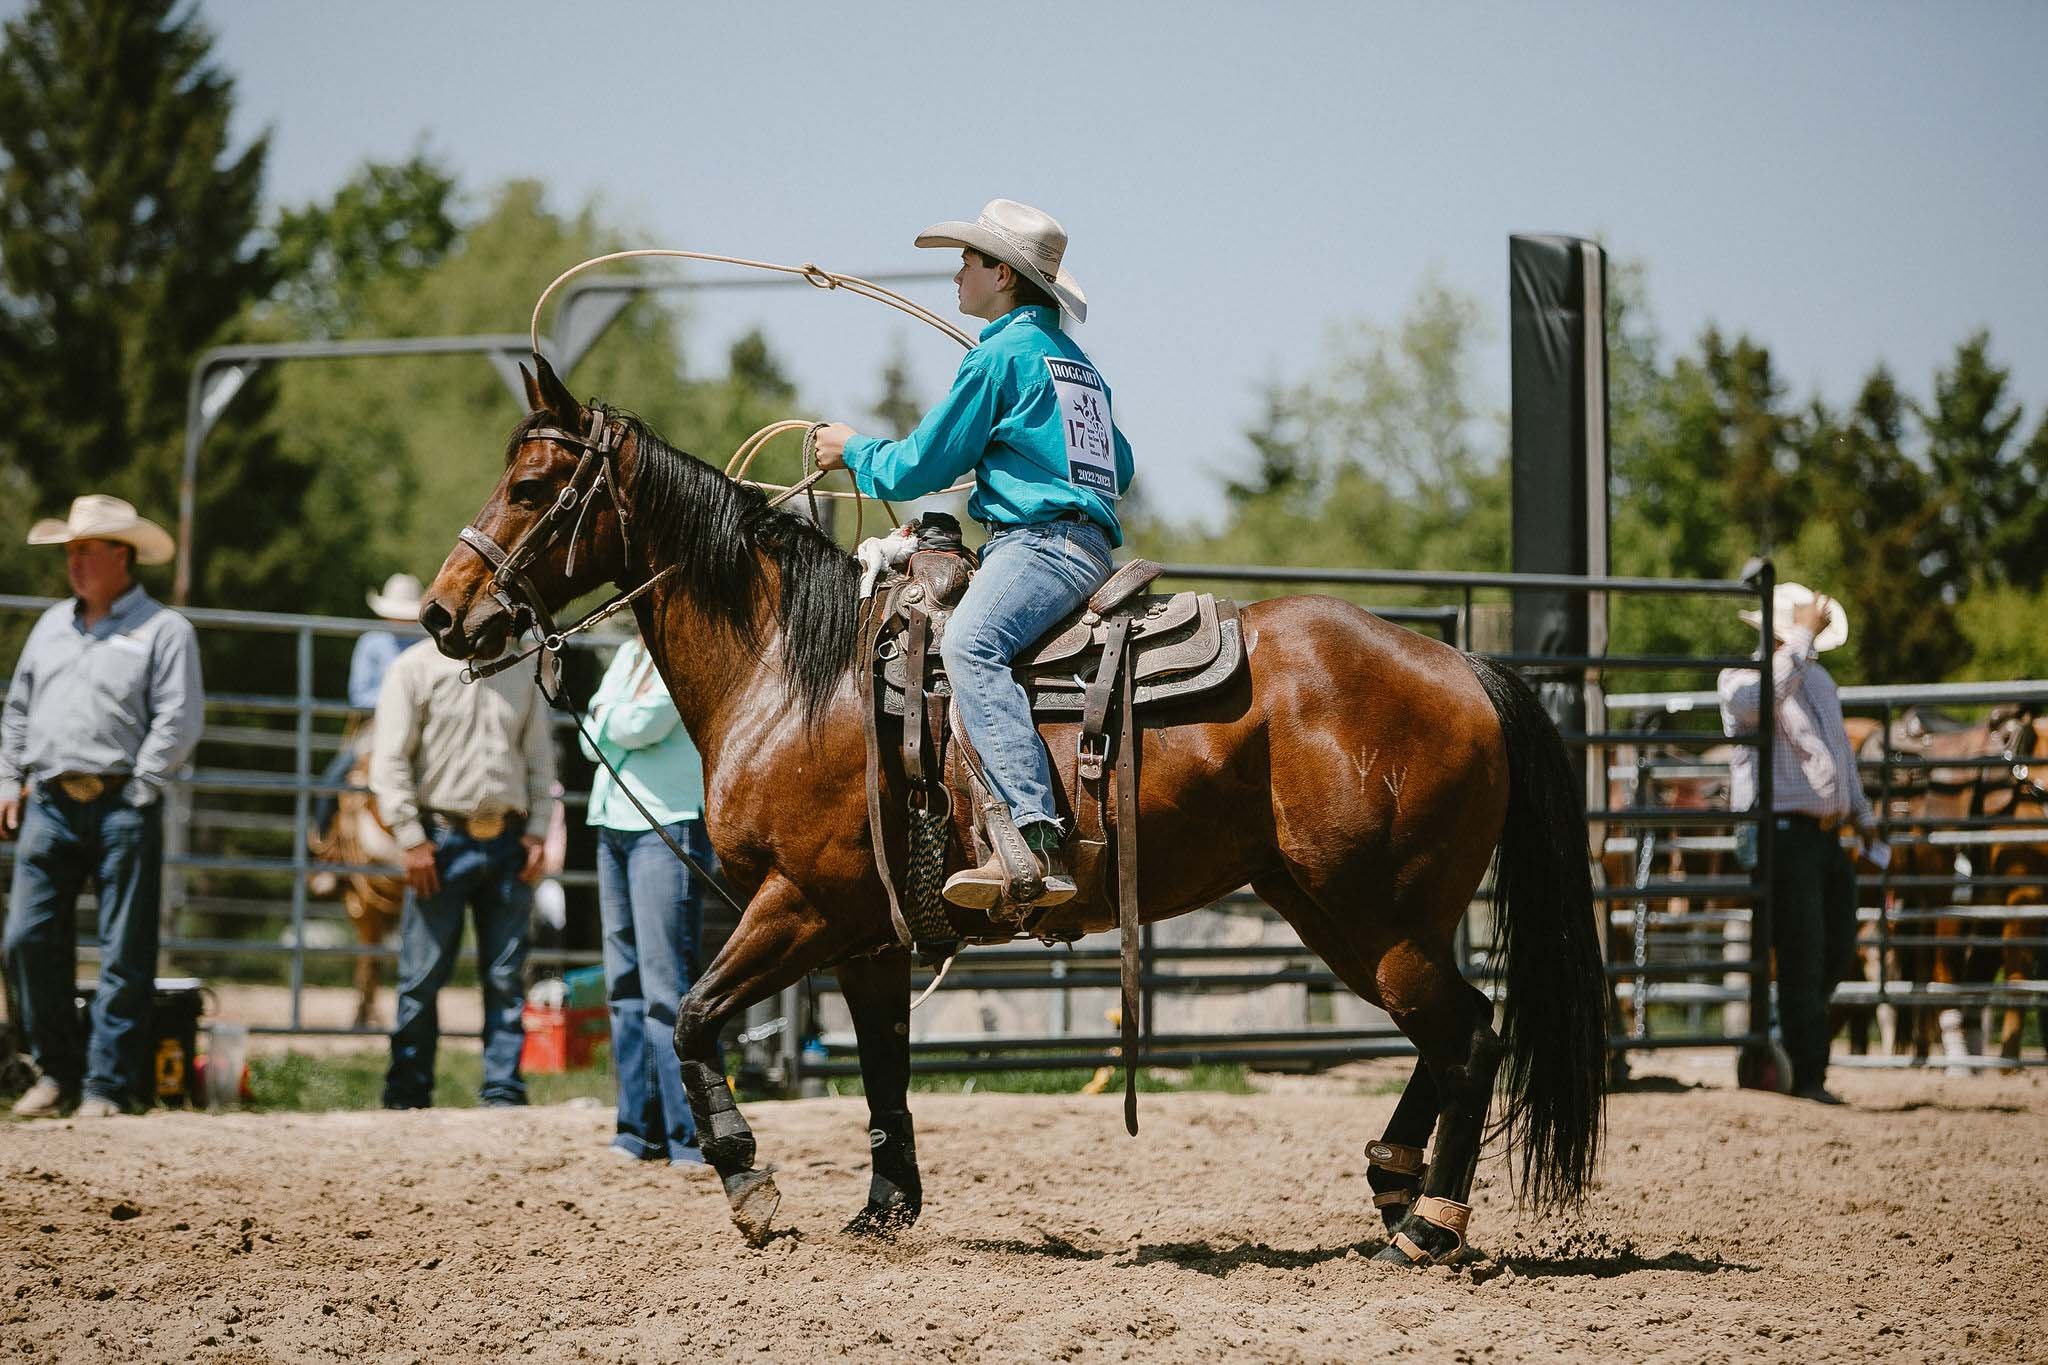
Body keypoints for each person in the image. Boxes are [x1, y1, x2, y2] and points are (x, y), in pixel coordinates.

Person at [813, 198, 1134, 918]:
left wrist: (850, 449)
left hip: (1040, 546)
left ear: (1003, 274)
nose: (957, 273)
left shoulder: (998, 358)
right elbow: (1123, 464)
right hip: (1084, 546)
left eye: (967, 259)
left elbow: (914, 467)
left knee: (971, 643)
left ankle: (1033, 831)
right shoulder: (1076, 366)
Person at [2, 495, 203, 1118]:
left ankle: (106, 1086)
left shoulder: (164, 630)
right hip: (50, 802)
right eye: (69, 551)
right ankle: (58, 1070)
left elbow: (179, 716)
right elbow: (17, 711)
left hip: (122, 802)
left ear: (122, 555)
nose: (74, 562)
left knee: (125, 948)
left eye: (85, 550)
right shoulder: (51, 627)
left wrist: (141, 785)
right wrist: (9, 780)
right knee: (26, 940)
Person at [369, 633, 556, 1108]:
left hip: (509, 840)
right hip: (440, 839)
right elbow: (389, 759)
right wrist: (411, 839)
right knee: (422, 975)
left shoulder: (523, 667)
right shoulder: (414, 669)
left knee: (505, 974)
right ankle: (408, 1090)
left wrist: (536, 830)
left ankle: (503, 1089)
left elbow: (538, 755)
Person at [1718, 583, 1881, 1106]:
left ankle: (1786, 1040)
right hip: (1782, 836)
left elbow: (1839, 754)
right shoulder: (1741, 681)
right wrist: (1804, 640)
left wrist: (1862, 814)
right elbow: (1763, 699)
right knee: (1804, 953)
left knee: (1835, 949)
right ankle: (1807, 1073)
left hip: (1824, 836)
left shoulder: (1819, 680)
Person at [580, 627, 709, 1165]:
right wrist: (614, 721)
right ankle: (637, 1128)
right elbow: (590, 741)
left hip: (665, 822)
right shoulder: (632, 652)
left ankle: (689, 1135)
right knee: (624, 984)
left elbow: (641, 721)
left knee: (666, 985)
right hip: (613, 820)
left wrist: (605, 717)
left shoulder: (686, 645)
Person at [312, 573, 420, 839]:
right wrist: (397, 702)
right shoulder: (372, 642)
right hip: (378, 726)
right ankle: (322, 844)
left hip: (421, 724)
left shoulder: (426, 643)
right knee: (333, 779)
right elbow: (359, 694)